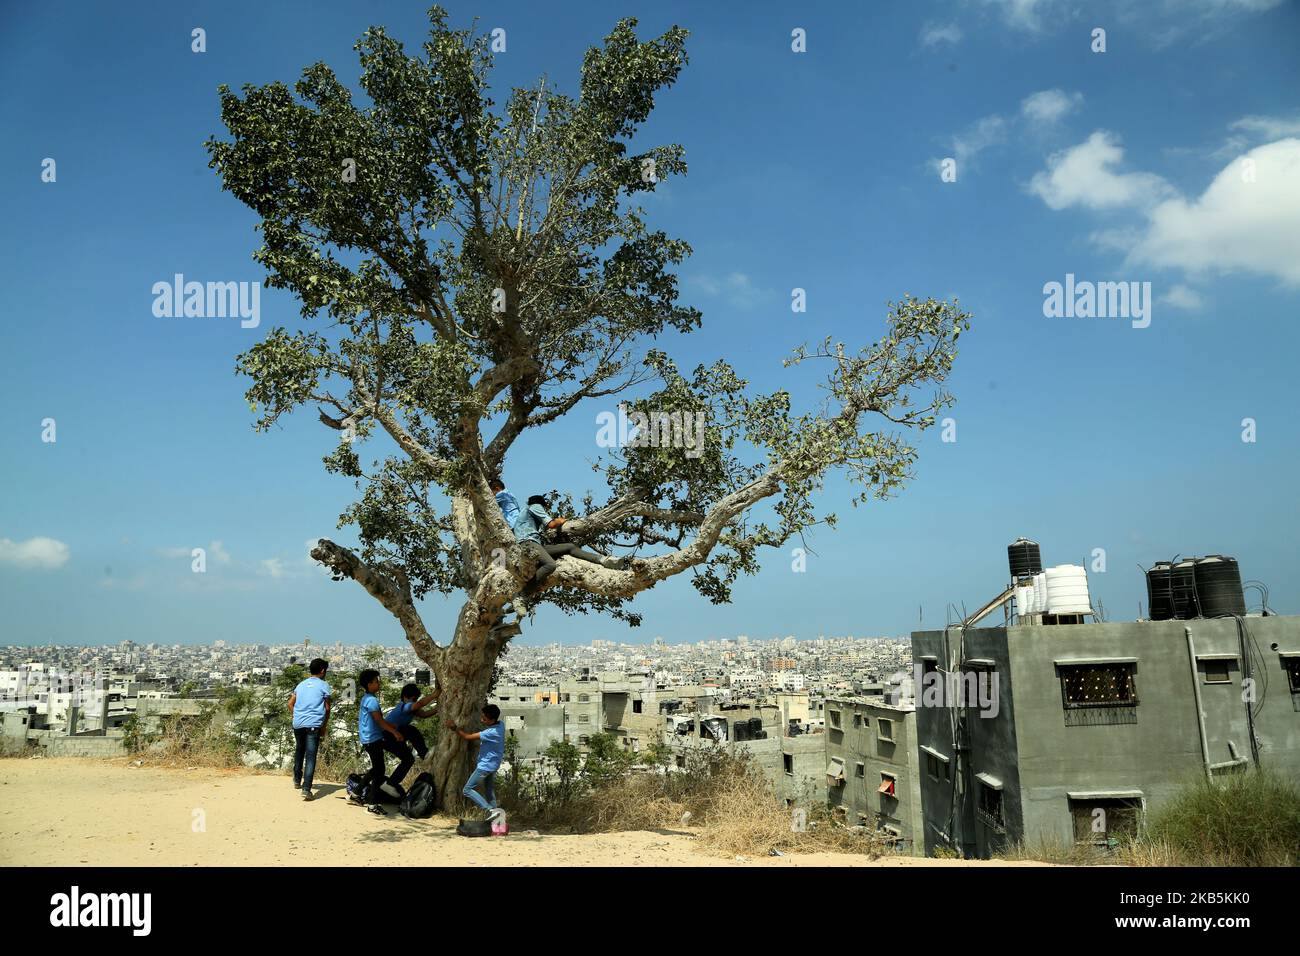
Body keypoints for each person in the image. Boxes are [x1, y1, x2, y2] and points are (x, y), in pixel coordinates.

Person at [513, 494, 628, 596]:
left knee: (570, 547)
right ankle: (524, 593)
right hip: (528, 543)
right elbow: (552, 524)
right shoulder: (535, 506)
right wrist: (561, 520)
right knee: (550, 565)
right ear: (541, 504)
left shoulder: (524, 514)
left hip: (535, 544)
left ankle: (603, 560)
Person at [354, 669, 404, 814]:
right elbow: (379, 720)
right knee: (379, 771)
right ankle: (372, 804)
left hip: (369, 738)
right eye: (376, 681)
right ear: (369, 684)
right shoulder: (372, 700)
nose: (378, 683)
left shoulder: (366, 698)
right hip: (373, 738)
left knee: (377, 769)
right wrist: (394, 732)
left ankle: (356, 793)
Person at [446, 704, 505, 820]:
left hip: (486, 766)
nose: (482, 720)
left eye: (485, 719)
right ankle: (496, 817)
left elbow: (468, 737)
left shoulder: (491, 732)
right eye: (482, 717)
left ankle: (490, 810)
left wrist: (454, 728)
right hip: (494, 764)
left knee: (467, 789)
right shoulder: (501, 725)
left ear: (492, 720)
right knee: (489, 790)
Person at [288, 658, 331, 801]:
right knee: (311, 756)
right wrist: (324, 726)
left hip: (298, 723)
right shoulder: (324, 685)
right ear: (323, 671)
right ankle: (306, 789)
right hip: (313, 724)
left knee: (299, 750)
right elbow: (327, 708)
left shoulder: (301, 685)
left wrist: (296, 716)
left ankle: (296, 780)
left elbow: (290, 704)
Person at [381, 683, 437, 789]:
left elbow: (425, 714)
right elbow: (420, 704)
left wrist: (439, 708)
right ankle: (424, 754)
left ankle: (391, 784)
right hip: (388, 735)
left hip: (392, 735)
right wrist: (434, 695)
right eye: (413, 699)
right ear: (405, 697)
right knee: (411, 730)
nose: (414, 702)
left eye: (415, 699)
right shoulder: (404, 706)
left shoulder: (410, 708)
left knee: (408, 759)